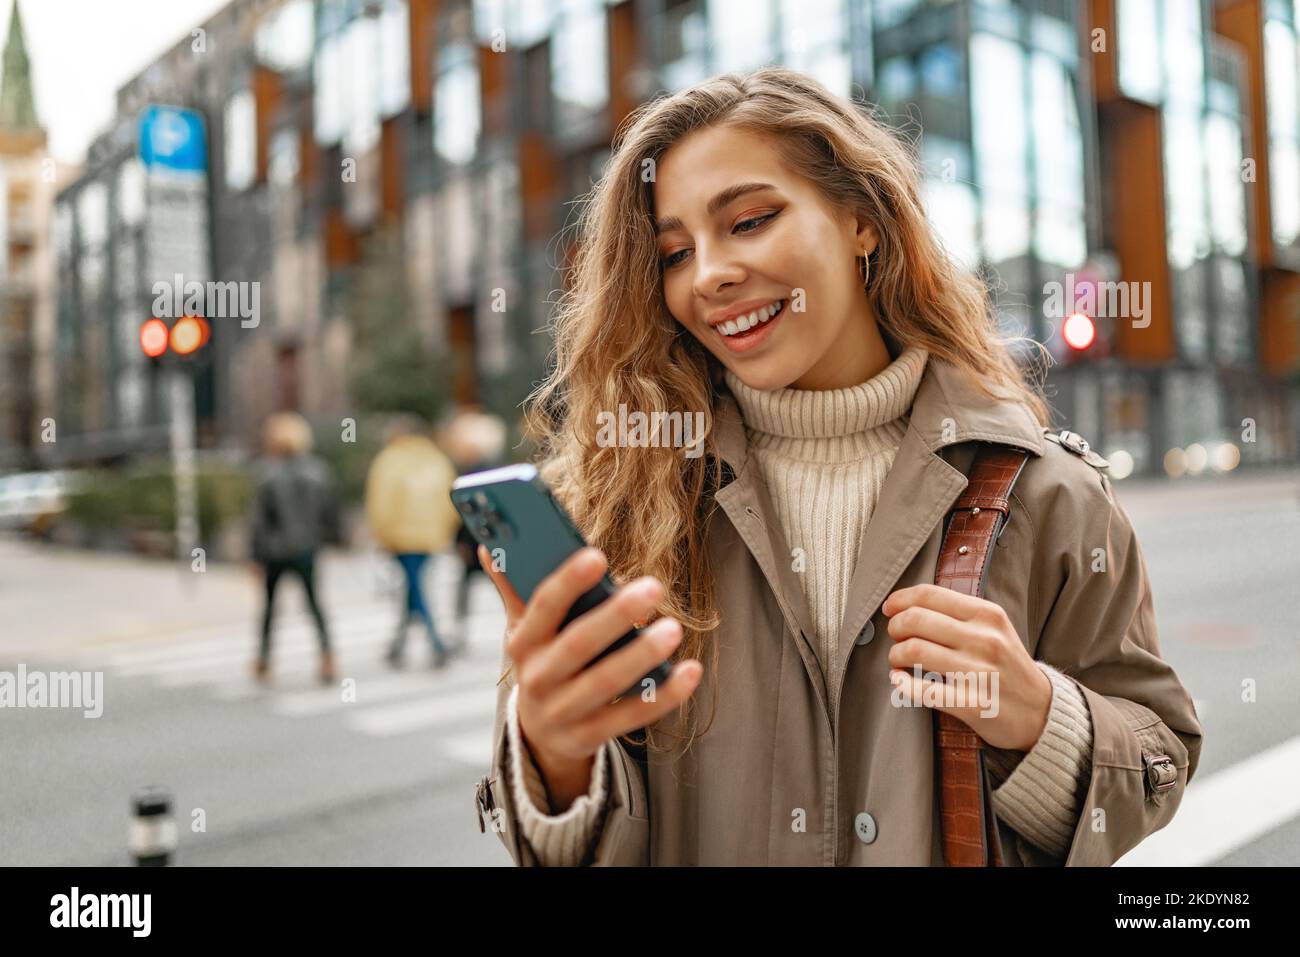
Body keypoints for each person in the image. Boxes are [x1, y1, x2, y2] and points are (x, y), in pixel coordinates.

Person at [475, 67, 1203, 866]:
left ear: (862, 218)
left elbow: (1158, 756)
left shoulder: (1049, 491)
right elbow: (570, 838)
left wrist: (1041, 715)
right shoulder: (625, 498)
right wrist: (550, 759)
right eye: (675, 252)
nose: (709, 273)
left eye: (749, 220)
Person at [249, 411, 340, 685]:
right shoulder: (318, 471)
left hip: (274, 552)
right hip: (306, 548)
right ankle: (327, 657)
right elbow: (331, 513)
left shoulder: (266, 472)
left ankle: (264, 660)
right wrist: (331, 540)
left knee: (269, 608)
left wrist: (254, 555)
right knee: (314, 605)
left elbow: (258, 521)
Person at [364, 416, 463, 669]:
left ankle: (436, 643)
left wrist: (381, 534)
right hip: (431, 537)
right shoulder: (437, 459)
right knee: (414, 585)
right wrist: (444, 530)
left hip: (401, 537)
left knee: (416, 588)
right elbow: (451, 497)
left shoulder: (389, 461)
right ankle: (398, 644)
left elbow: (381, 503)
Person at [437, 408, 509, 649]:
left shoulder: (476, 471)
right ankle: (462, 629)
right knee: (493, 584)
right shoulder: (487, 468)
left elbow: (467, 510)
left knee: (498, 584)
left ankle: (462, 630)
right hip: (485, 540)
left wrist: (460, 541)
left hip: (481, 540)